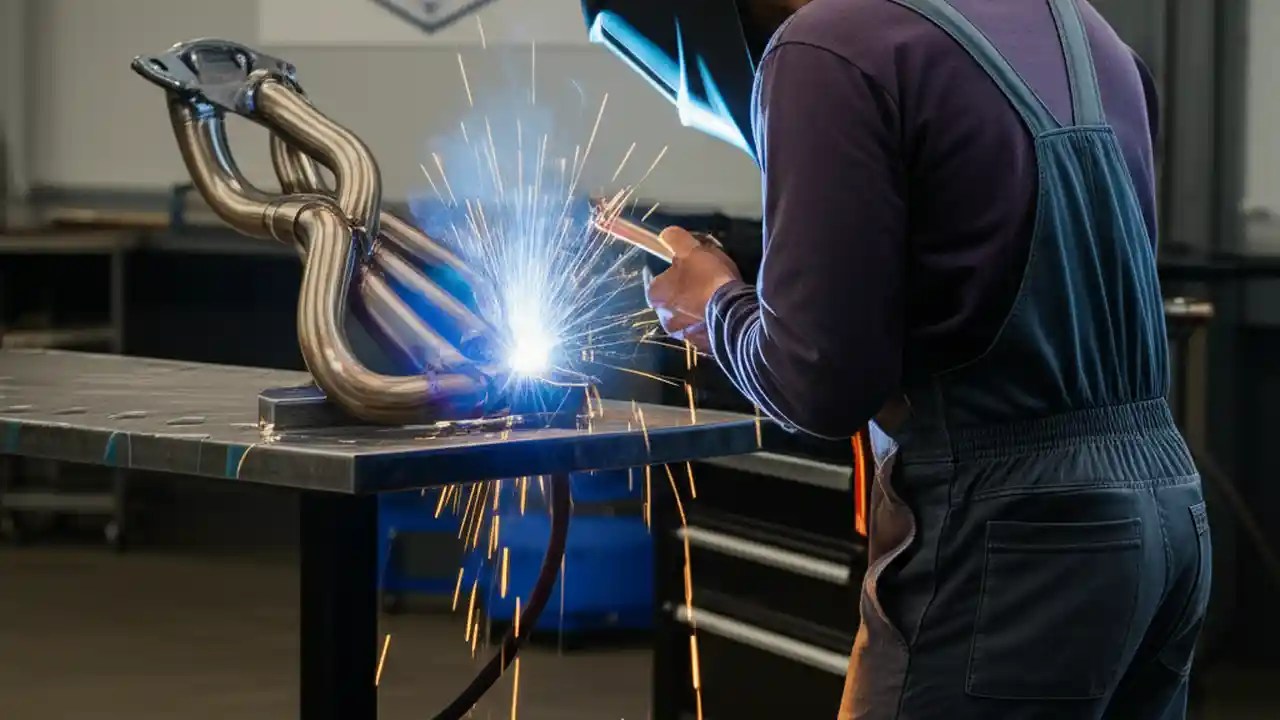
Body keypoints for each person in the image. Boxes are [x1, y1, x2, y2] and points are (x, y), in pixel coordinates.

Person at [581, 0, 1212, 718]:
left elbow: (821, 384)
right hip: (1170, 525)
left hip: (1004, 536)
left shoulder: (825, 45)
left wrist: (716, 305)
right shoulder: (1088, 32)